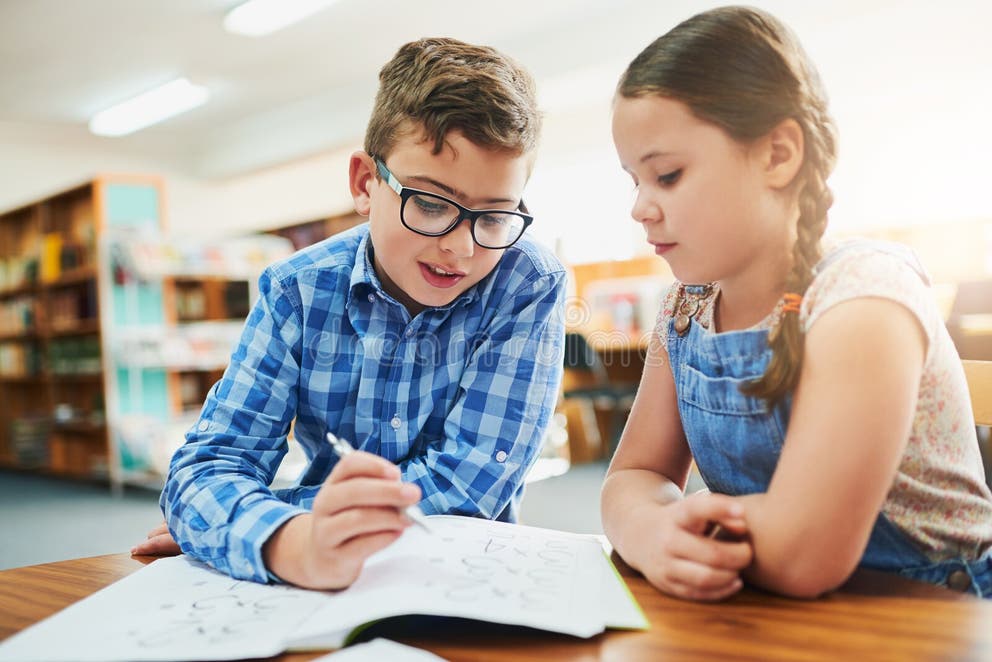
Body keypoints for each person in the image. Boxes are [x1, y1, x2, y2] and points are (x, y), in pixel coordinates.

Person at [132, 37, 566, 589]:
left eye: (496, 216)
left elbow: (468, 486)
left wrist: (264, 524)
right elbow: (207, 468)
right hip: (317, 587)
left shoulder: (527, 282)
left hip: (463, 576)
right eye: (431, 203)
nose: (461, 247)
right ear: (366, 183)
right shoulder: (297, 289)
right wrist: (285, 540)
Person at [601, 5, 992, 601]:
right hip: (775, 613)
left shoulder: (864, 298)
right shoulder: (684, 309)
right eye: (635, 180)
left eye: (669, 175)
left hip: (935, 616)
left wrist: (700, 518)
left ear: (779, 155)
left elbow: (804, 554)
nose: (639, 208)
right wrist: (650, 528)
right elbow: (633, 475)